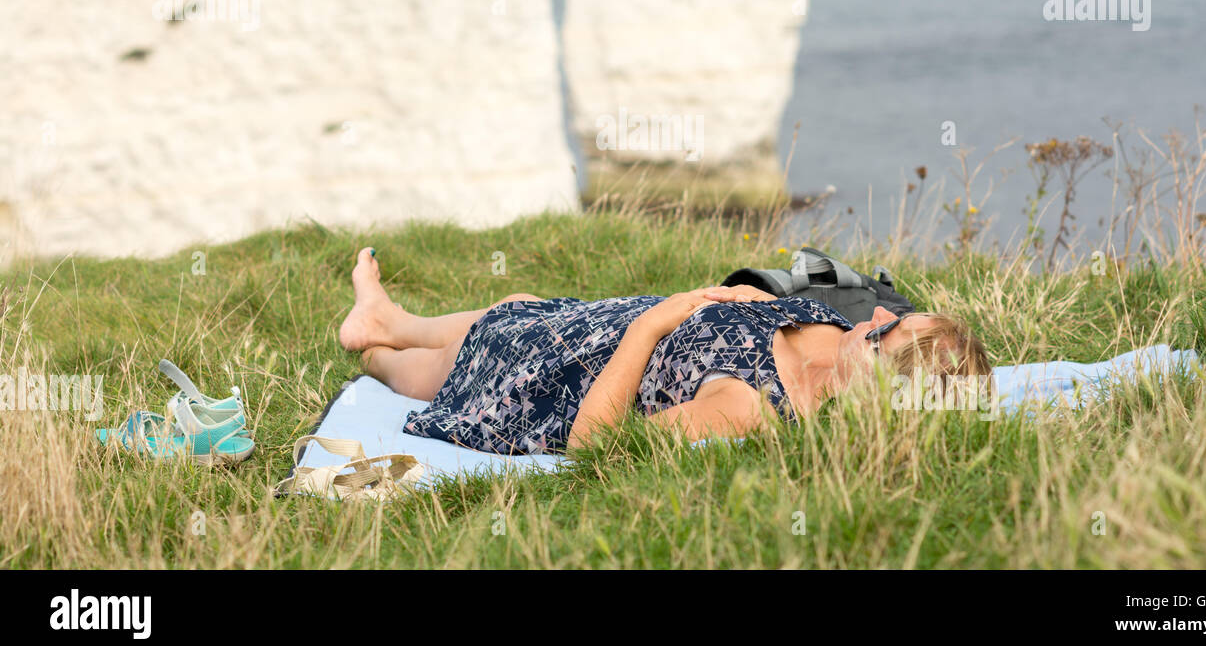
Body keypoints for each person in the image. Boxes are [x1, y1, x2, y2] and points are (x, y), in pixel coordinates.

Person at [339, 248, 991, 454]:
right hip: (591, 326)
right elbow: (744, 313)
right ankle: (394, 317)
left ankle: (376, 347)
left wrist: (650, 328)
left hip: (546, 382)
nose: (879, 314)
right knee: (515, 305)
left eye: (885, 333)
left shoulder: (748, 409)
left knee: (422, 368)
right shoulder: (827, 340)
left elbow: (596, 444)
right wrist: (737, 298)